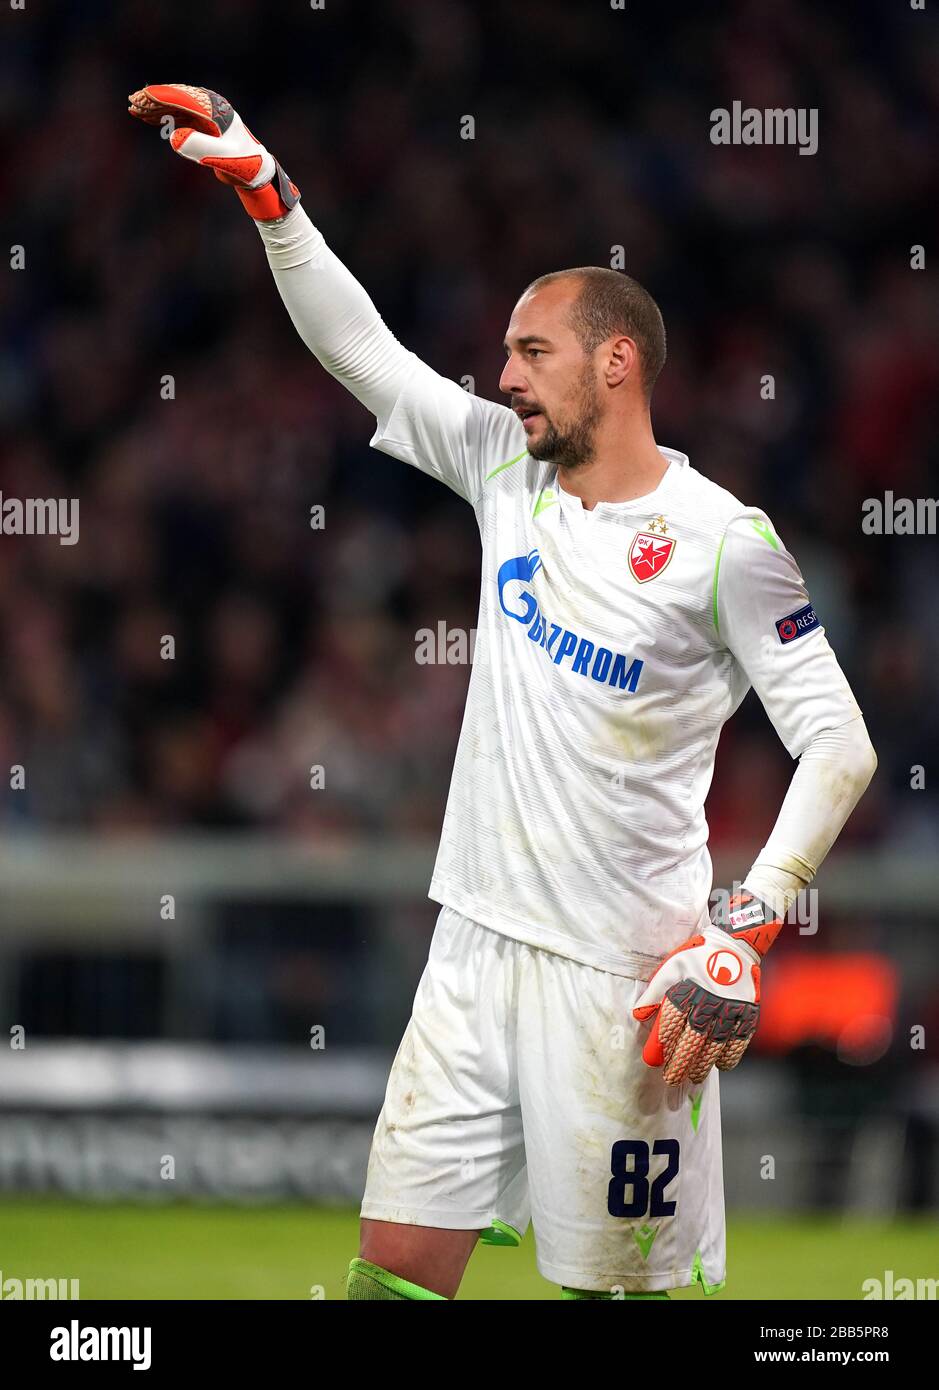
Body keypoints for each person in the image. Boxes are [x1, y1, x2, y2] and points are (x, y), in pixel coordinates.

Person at [129, 84, 878, 1301]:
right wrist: (269, 197)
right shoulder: (500, 470)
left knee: (616, 1292)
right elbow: (363, 351)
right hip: (472, 945)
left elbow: (839, 744)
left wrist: (747, 925)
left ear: (617, 361)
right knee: (394, 1271)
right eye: (507, 354)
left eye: (533, 351)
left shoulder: (725, 543)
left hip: (624, 976)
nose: (506, 374)